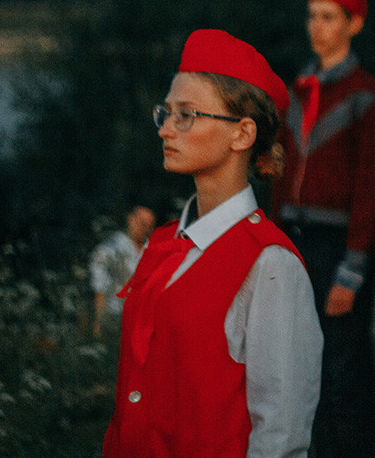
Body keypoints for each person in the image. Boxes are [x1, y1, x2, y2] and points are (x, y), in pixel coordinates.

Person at [104, 29, 322, 458]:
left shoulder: (271, 263)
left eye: (186, 114)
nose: (166, 129)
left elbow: (280, 434)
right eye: (165, 113)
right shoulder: (163, 243)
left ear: (242, 134)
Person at [272, 0, 375, 458]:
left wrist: (354, 267)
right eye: (312, 16)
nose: (316, 27)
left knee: (342, 369)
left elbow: (370, 188)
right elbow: (279, 174)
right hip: (293, 240)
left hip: (339, 245)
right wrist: (272, 244)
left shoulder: (367, 94)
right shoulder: (295, 89)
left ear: (354, 23)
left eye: (328, 17)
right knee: (295, 362)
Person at [90, 205, 155, 337]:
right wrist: (97, 322)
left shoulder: (151, 249)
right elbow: (99, 285)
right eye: (142, 223)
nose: (145, 229)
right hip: (115, 317)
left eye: (149, 226)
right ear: (131, 220)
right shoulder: (112, 248)